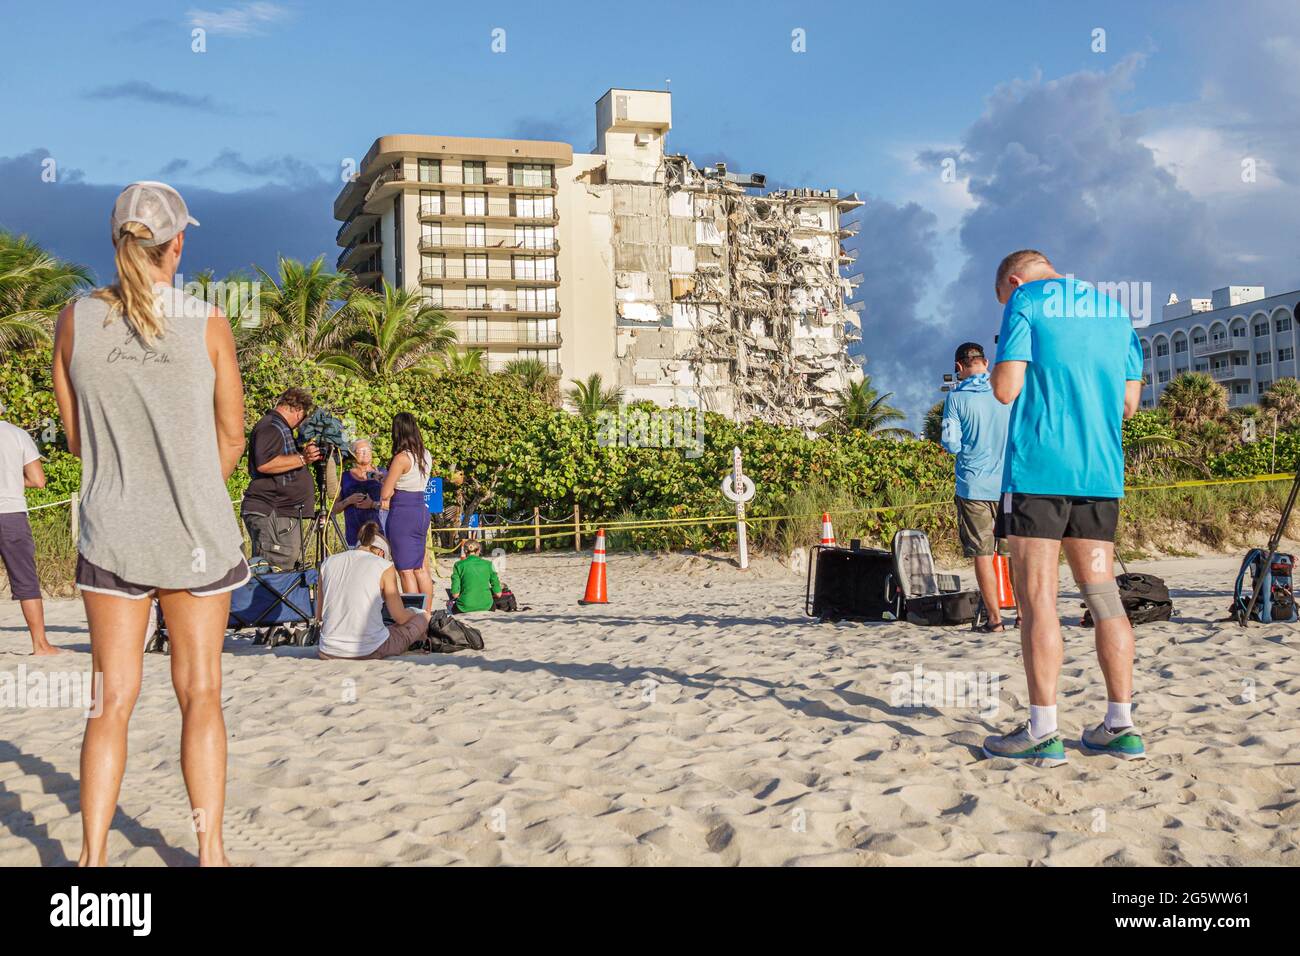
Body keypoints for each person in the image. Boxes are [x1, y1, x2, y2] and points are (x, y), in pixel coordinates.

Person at [51, 181, 248, 865]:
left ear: (118, 242)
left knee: (110, 702)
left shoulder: (74, 320)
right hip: (197, 532)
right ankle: (211, 852)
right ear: (178, 242)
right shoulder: (209, 322)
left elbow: (79, 442)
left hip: (113, 530)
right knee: (201, 694)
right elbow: (231, 436)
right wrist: (187, 490)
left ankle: (92, 859)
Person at [983, 249, 1145, 768]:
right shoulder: (1113, 309)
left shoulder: (1027, 300)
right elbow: (1128, 404)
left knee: (1038, 603)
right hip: (1100, 473)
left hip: (1039, 471)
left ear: (1013, 281)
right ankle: (1120, 726)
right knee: (1104, 601)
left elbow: (1006, 389)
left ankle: (1043, 731)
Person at [940, 342, 1012, 633]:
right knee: (1015, 553)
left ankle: (995, 620)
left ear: (959, 367)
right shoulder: (1006, 389)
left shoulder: (956, 398)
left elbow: (951, 444)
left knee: (983, 554)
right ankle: (1024, 616)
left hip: (974, 486)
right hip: (1010, 483)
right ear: (985, 361)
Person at [315, 522, 430, 660]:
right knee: (424, 617)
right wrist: (414, 611)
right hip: (368, 649)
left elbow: (320, 615)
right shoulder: (384, 566)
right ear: (381, 553)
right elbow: (400, 617)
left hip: (327, 650)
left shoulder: (328, 562)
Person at [241, 387, 320, 568]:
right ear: (298, 410)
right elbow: (265, 463)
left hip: (282, 513)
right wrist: (303, 458)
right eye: (304, 417)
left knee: (283, 570)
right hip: (273, 511)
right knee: (275, 572)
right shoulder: (271, 426)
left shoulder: (279, 427)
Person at [0, 415, 58, 654]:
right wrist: (12, 479)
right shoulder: (17, 434)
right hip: (11, 514)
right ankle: (40, 644)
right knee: (26, 581)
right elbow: (38, 480)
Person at [379, 413, 434, 607]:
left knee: (405, 569)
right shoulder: (425, 454)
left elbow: (386, 493)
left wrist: (384, 480)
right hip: (420, 508)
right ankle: (426, 611)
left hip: (403, 511)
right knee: (420, 567)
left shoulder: (401, 458)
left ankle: (413, 612)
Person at [332, 438, 384, 548]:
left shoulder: (383, 474)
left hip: (379, 536)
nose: (365, 453)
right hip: (353, 537)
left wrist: (372, 504)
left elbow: (393, 504)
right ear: (353, 454)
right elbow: (334, 509)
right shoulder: (344, 477)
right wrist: (349, 500)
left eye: (367, 450)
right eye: (361, 451)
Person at [449, 540, 502, 613]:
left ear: (465, 551)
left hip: (464, 606)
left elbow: (455, 594)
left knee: (450, 604)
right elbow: (498, 594)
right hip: (486, 605)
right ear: (479, 550)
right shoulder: (488, 564)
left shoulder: (458, 565)